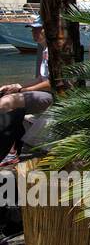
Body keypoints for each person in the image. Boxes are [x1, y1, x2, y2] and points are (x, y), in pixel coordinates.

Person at [0, 17, 54, 166]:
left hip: (53, 95)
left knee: (5, 102)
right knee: (4, 94)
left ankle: (10, 152)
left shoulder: (54, 52)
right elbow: (40, 79)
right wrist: (15, 85)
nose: (34, 33)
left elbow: (52, 82)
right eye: (33, 29)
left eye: (38, 29)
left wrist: (23, 89)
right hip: (43, 92)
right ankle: (13, 145)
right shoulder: (45, 50)